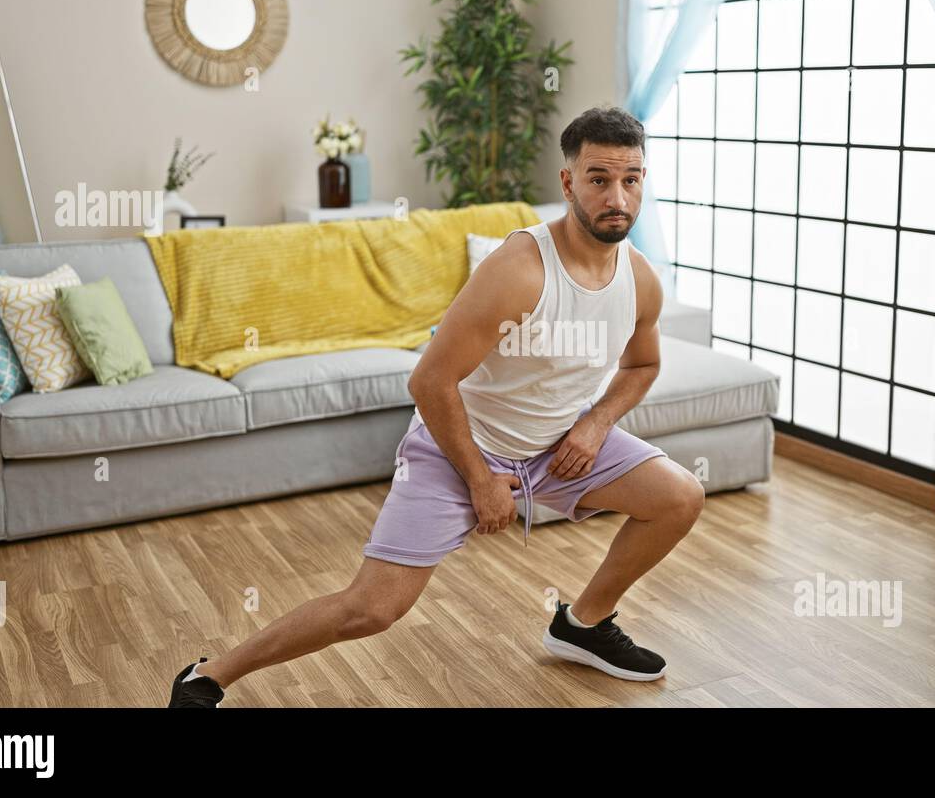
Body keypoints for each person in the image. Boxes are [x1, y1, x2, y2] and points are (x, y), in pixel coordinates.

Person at [169, 106, 706, 707]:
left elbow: (642, 365)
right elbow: (429, 381)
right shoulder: (519, 271)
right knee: (371, 610)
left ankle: (582, 625)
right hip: (462, 447)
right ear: (567, 182)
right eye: (599, 178)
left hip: (561, 444)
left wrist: (595, 422)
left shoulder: (640, 278)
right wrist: (480, 480)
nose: (618, 197)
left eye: (631, 179)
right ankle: (209, 675)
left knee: (680, 497)